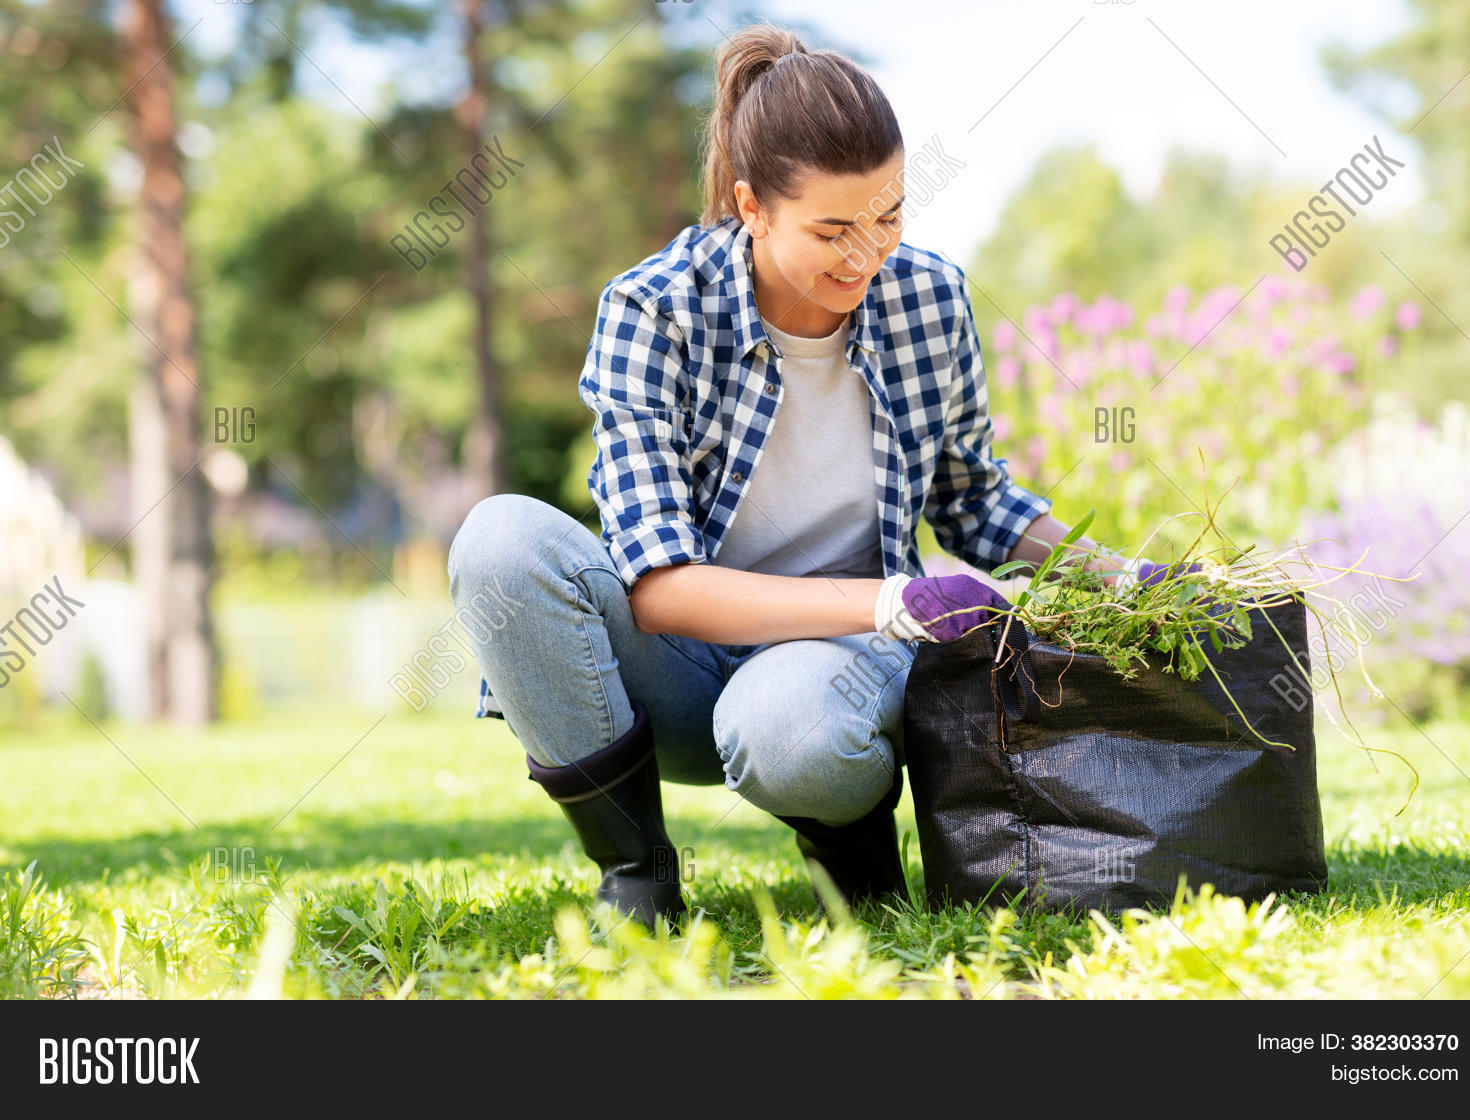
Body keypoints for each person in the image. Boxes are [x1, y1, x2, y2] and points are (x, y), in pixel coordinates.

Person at [447, 22, 1162, 928]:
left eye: (890, 216)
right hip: (682, 662)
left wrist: (1116, 576)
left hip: (832, 671)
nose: (868, 254)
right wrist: (886, 602)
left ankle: (854, 860)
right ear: (752, 207)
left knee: (789, 731)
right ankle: (636, 873)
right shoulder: (653, 309)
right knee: (500, 541)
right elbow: (659, 590)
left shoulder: (931, 299)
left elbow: (973, 498)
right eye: (832, 229)